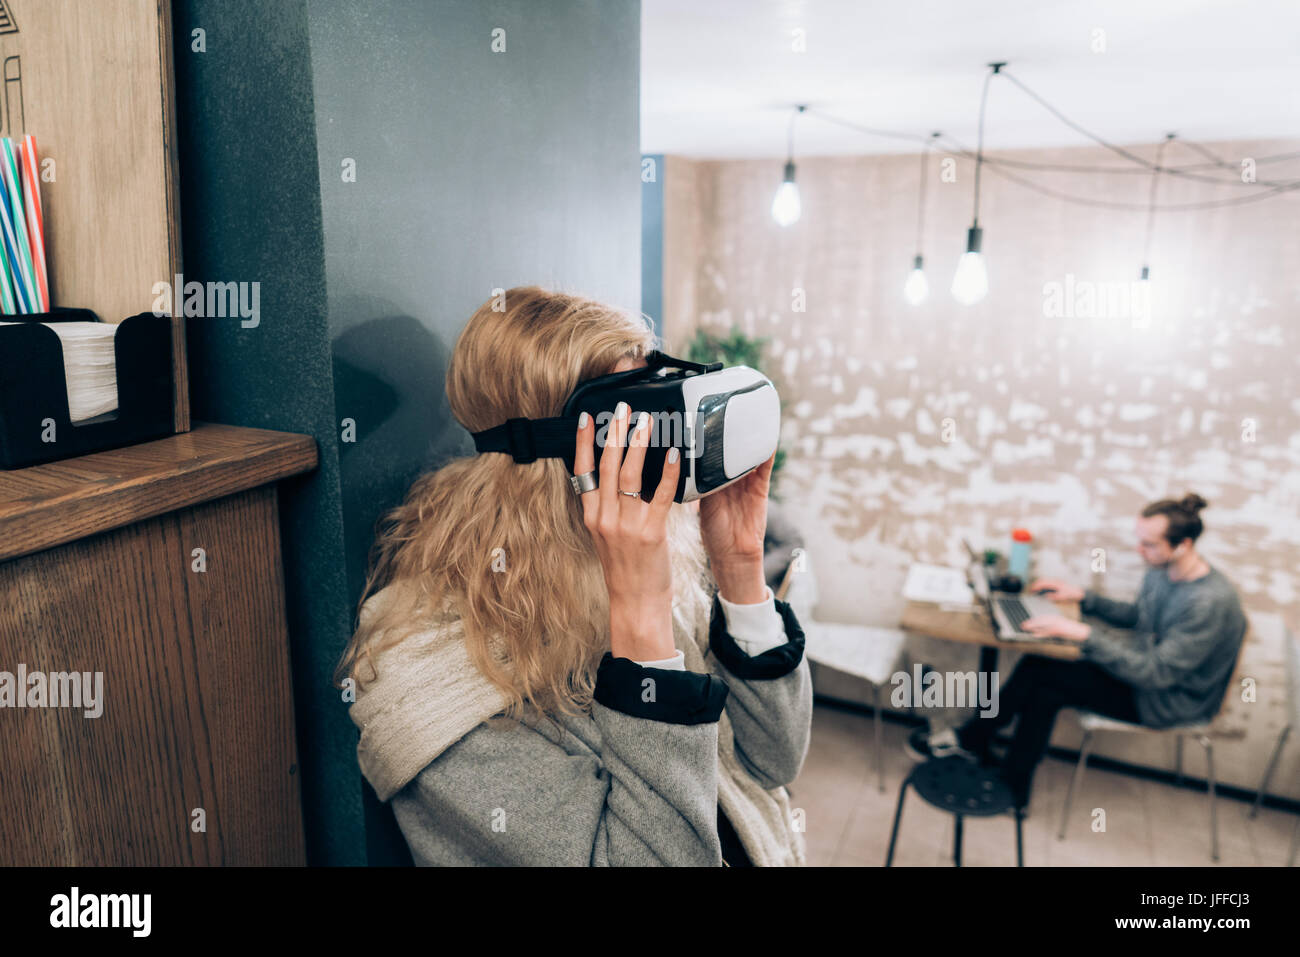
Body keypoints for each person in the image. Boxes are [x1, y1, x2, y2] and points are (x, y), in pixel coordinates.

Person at [334, 286, 812, 866]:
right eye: (636, 422)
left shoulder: (656, 566)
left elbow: (773, 762)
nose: (658, 447)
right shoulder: (431, 678)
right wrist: (640, 617)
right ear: (578, 448)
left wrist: (739, 566)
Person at [933, 493, 1247, 811]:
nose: (1140, 551)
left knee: (1044, 676)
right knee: (1043, 678)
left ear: (1184, 545)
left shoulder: (1207, 602)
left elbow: (1156, 674)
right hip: (1146, 676)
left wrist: (1083, 634)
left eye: (1149, 544)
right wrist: (1084, 598)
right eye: (1140, 541)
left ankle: (979, 743)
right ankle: (1004, 775)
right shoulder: (1163, 570)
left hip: (1168, 699)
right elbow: (1141, 617)